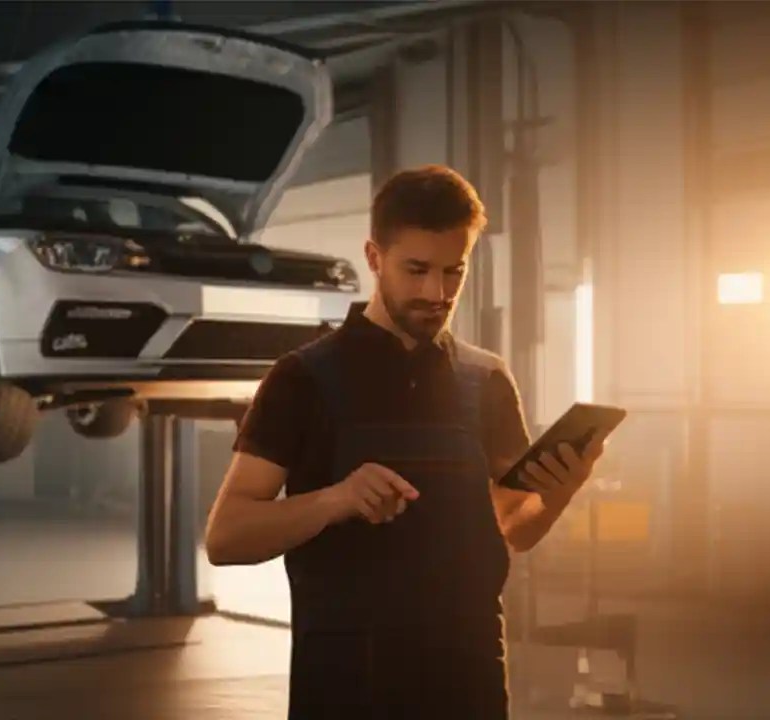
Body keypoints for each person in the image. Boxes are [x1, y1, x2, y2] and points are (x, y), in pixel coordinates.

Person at [204, 165, 604, 719]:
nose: (436, 293)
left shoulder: (485, 380)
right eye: (416, 270)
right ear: (374, 258)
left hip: (470, 683)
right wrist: (335, 499)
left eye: (453, 272)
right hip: (348, 688)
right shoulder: (302, 379)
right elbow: (226, 538)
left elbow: (516, 527)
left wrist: (560, 490)